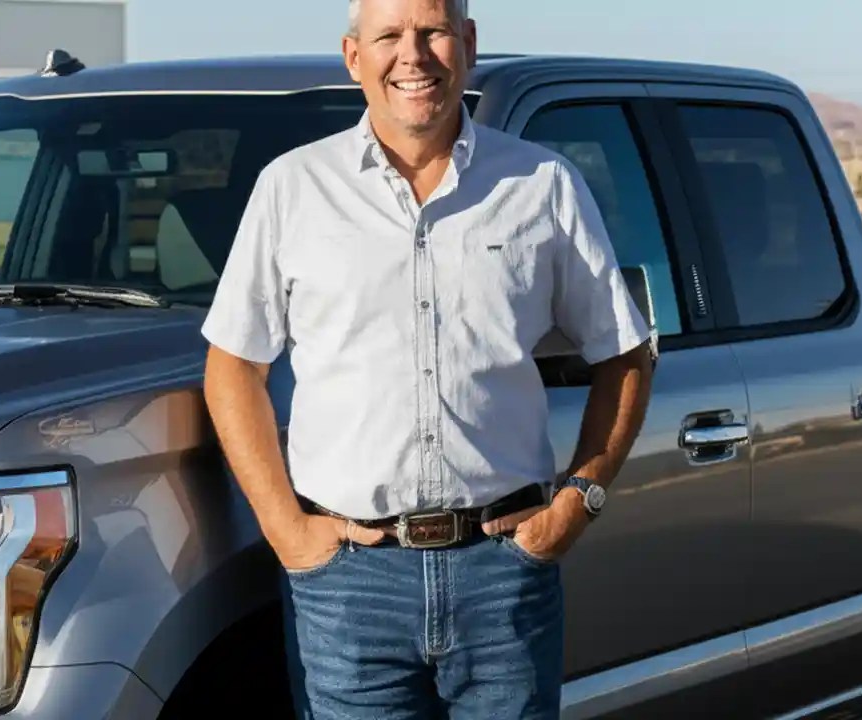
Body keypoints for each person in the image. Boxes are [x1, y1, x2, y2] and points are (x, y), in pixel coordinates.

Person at [200, 0, 655, 717]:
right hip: (349, 584)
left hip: (504, 572)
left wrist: (579, 500)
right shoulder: (293, 189)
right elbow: (232, 365)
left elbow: (626, 354)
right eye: (388, 36)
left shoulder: (542, 186)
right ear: (355, 57)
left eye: (433, 31)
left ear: (468, 44)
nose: (412, 56)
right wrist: (286, 530)